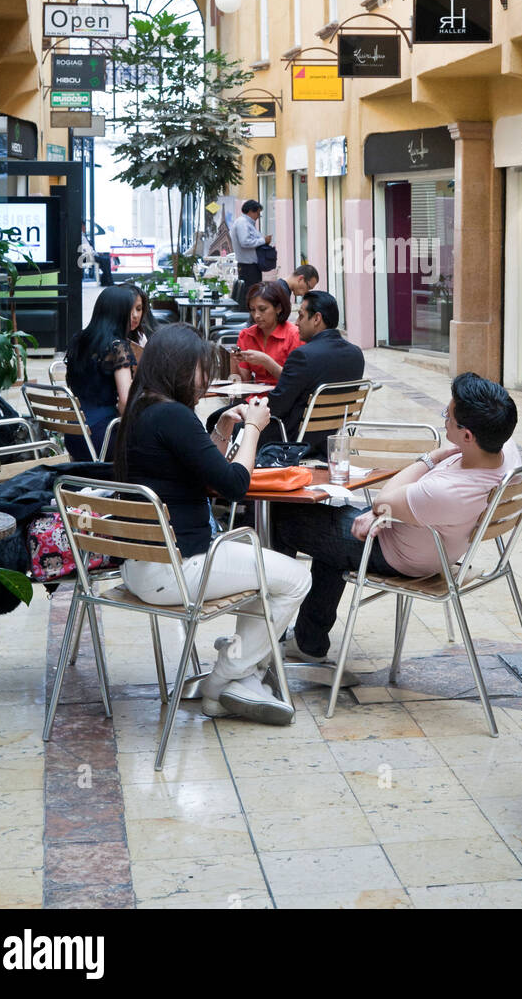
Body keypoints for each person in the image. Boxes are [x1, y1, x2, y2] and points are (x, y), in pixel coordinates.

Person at [114, 324, 311, 724]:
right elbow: (235, 485)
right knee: (295, 580)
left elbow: (206, 477)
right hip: (176, 569)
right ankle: (223, 681)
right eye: (203, 370)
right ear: (181, 369)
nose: (207, 380)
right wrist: (255, 427)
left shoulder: (141, 410)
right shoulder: (173, 415)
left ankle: (244, 676)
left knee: (263, 582)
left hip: (141, 565)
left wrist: (222, 430)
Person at [271, 373, 522, 663]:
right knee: (330, 536)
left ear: (468, 436)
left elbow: (383, 500)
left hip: (398, 555)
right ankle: (309, 641)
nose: (444, 419)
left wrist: (432, 458)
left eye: (448, 416)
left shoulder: (447, 491)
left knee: (281, 516)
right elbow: (386, 508)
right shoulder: (505, 449)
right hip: (423, 539)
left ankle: (268, 636)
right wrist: (378, 516)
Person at [253, 290, 364, 456]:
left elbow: (276, 407)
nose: (296, 323)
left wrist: (252, 408)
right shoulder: (356, 354)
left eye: (301, 316)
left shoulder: (303, 356)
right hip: (331, 440)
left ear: (317, 319)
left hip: (292, 440)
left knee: (230, 422)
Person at [64, 285, 138, 460]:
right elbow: (126, 400)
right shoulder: (117, 346)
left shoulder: (79, 340)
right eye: (130, 310)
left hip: (73, 434)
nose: (134, 316)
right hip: (102, 438)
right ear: (118, 313)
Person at [233, 282, 301, 384]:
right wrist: (233, 362)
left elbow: (296, 380)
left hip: (285, 396)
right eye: (252, 310)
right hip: (255, 397)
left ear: (278, 308)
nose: (256, 315)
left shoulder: (294, 335)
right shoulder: (247, 335)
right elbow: (242, 383)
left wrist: (266, 361)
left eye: (262, 309)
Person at [230, 199, 271, 298]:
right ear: (251, 211)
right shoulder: (242, 223)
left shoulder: (246, 223)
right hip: (248, 266)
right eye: (258, 213)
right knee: (251, 294)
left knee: (253, 293)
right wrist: (263, 241)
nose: (258, 217)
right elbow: (245, 242)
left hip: (251, 266)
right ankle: (248, 312)